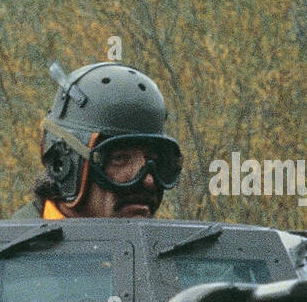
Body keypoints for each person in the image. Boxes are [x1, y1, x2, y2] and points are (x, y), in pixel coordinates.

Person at [14, 62, 183, 220]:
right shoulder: (11, 249)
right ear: (65, 165)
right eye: (120, 158)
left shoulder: (177, 250)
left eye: (154, 160)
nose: (148, 180)